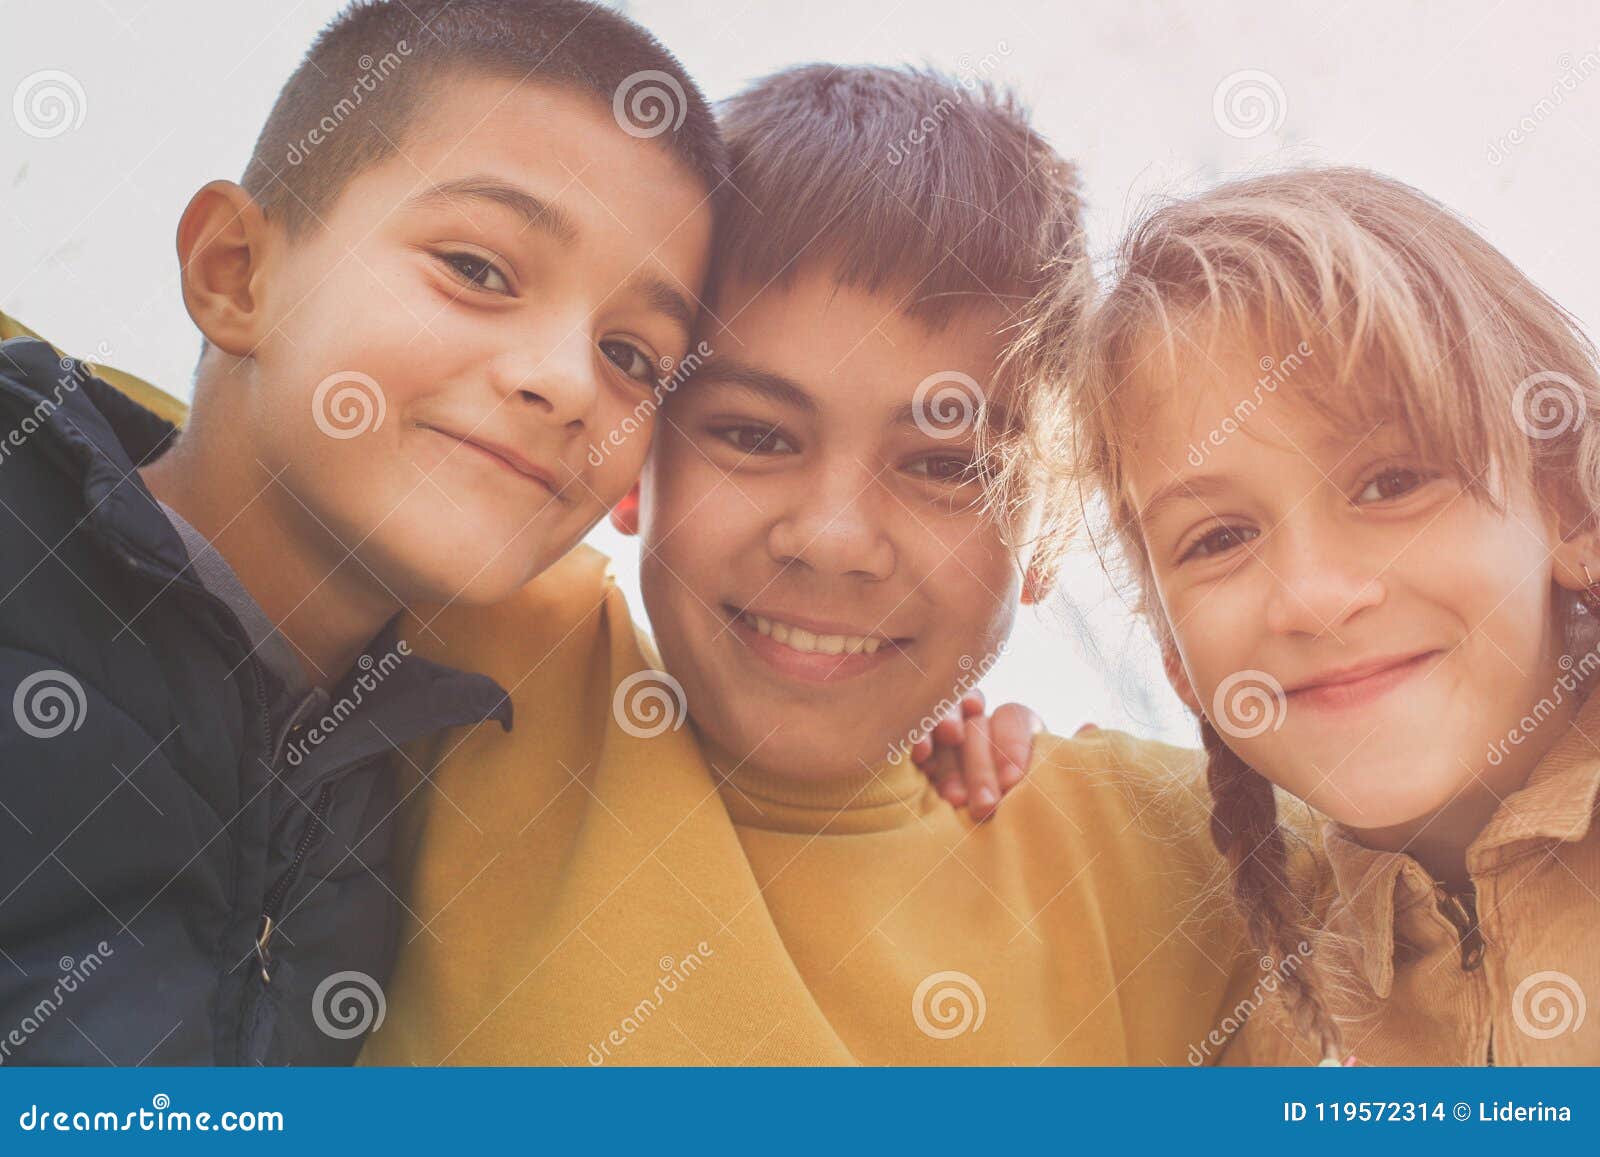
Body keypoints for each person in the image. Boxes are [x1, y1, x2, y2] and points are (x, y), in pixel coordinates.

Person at [360, 65, 1261, 1067]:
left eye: (942, 465)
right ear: (628, 452)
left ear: (1047, 529)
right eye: (752, 434)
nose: (833, 537)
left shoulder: (1185, 857)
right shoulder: (482, 655)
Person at [1054, 166, 1600, 1064]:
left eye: (1392, 483)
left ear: (1570, 511)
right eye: (1220, 536)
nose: (1311, 594)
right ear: (1176, 656)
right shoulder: (1259, 1033)